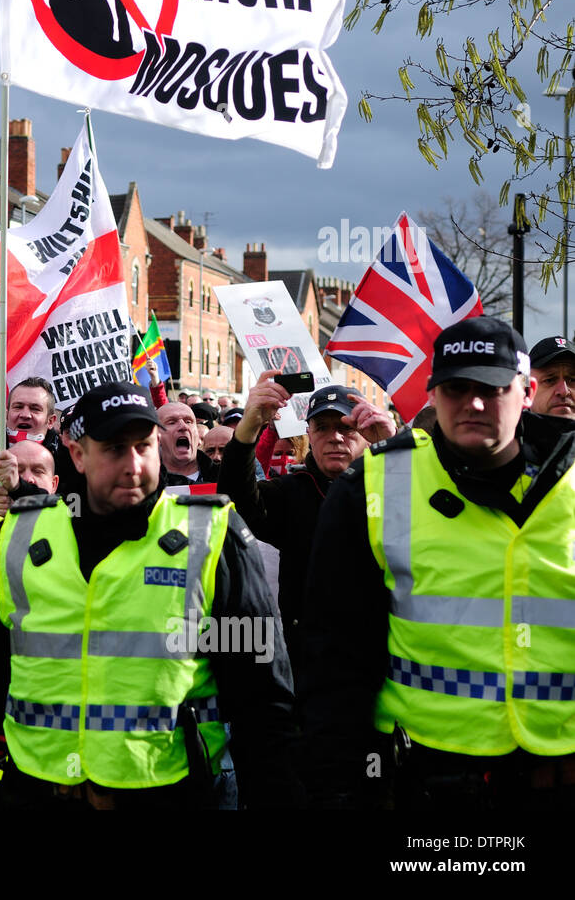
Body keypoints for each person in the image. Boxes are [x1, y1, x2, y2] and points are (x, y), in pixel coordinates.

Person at [0, 380, 300, 809]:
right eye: (115, 449)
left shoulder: (212, 534)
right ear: (78, 455)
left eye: (144, 446)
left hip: (170, 795)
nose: (134, 465)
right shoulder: (21, 535)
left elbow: (264, 701)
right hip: (36, 793)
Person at [302, 316, 575, 809]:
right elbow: (335, 656)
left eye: (490, 388)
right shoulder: (372, 485)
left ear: (525, 390)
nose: (472, 403)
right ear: (431, 395)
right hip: (426, 779)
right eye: (455, 388)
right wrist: (339, 789)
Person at [216, 375, 395, 675]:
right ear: (309, 435)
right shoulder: (291, 492)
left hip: (382, 656)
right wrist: (249, 426)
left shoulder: (393, 484)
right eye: (322, 428)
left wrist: (392, 446)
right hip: (309, 662)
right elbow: (237, 503)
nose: (335, 437)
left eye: (345, 428)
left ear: (365, 434)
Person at [0, 439, 60, 517]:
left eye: (37, 471)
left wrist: (18, 486)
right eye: (18, 471)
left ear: (54, 484)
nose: (28, 479)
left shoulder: (68, 513)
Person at [158, 401, 220, 486]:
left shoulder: (224, 477)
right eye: (172, 422)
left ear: (198, 436)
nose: (184, 427)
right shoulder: (143, 482)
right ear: (156, 436)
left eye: (188, 422)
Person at [529, 336, 575, 420]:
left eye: (572, 380)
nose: (564, 391)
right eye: (549, 380)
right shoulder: (505, 432)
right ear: (528, 391)